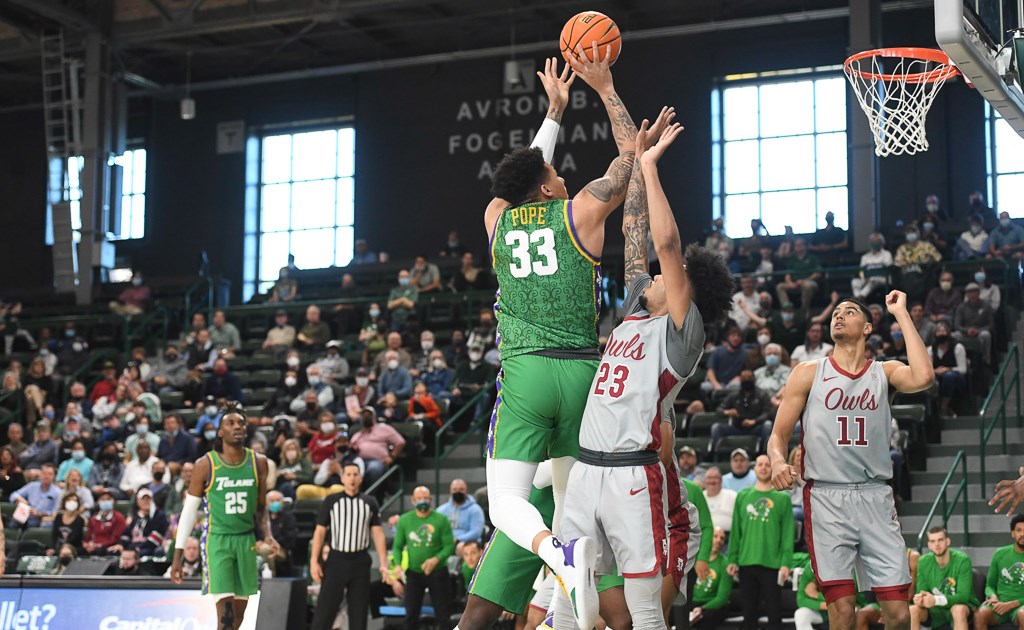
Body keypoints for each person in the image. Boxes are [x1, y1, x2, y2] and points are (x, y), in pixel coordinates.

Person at [478, 46, 644, 630]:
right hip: (582, 376)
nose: (561, 171)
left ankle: (554, 555)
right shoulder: (579, 213)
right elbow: (631, 156)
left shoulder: (496, 222)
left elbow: (513, 181)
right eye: (554, 173)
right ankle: (572, 598)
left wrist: (553, 113)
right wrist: (601, 88)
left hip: (525, 376)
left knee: (506, 506)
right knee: (581, 519)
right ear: (546, 190)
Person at [560, 114, 730, 630]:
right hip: (585, 467)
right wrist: (631, 146)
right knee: (566, 594)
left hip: (632, 472)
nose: (651, 276)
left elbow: (666, 247)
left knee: (643, 608)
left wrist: (652, 168)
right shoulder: (637, 307)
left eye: (663, 278)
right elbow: (634, 224)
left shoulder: (684, 331)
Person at [768, 290, 935, 630]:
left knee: (900, 615)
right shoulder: (807, 372)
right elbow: (778, 437)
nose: (839, 316)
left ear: (868, 328)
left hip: (875, 495)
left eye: (849, 311)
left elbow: (924, 377)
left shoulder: (883, 372)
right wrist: (776, 460)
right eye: (836, 313)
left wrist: (901, 313)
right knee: (842, 612)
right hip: (827, 497)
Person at [170, 405, 277, 630]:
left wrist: (268, 535)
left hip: (246, 541)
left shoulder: (258, 462)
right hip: (218, 541)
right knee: (226, 617)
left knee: (239, 617)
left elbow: (261, 506)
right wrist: (177, 555)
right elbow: (189, 512)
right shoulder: (205, 465)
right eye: (231, 423)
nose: (237, 426)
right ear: (221, 432)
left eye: (241, 423)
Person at [308, 463, 388, 630]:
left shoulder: (370, 502)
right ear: (343, 478)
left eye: (355, 474)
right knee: (325, 609)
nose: (352, 478)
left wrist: (383, 563)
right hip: (336, 559)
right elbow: (320, 533)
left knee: (359, 612)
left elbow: (378, 534)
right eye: (349, 474)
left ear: (360, 478)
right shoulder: (331, 501)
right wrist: (314, 561)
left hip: (360, 560)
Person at [727, 455, 794, 630]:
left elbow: (788, 533)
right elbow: (736, 532)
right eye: (760, 464)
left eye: (767, 465)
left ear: (772, 469)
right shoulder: (742, 496)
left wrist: (786, 563)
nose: (763, 467)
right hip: (746, 563)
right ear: (754, 468)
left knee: (774, 616)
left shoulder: (783, 498)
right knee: (748, 617)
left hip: (772, 565)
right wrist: (732, 558)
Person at [392, 486, 455, 630]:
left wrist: (436, 559)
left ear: (431, 500)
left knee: (443, 615)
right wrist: (397, 565)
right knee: (411, 615)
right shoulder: (404, 520)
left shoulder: (441, 519)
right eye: (419, 498)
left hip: (438, 572)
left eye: (426, 498)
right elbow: (397, 546)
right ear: (413, 500)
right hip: (414, 573)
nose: (423, 501)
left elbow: (449, 546)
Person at [910, 526, 976, 630]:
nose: (937, 544)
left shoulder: (963, 560)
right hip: (934, 611)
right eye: (933, 541)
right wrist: (921, 599)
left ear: (947, 541)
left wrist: (936, 600)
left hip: (961, 607)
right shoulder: (923, 562)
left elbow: (963, 597)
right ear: (929, 545)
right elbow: (922, 591)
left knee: (958, 610)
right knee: (912, 610)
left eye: (940, 540)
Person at [974, 514, 1024, 629]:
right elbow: (989, 585)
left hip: (1021, 606)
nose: (1022, 534)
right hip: (999, 605)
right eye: (1019, 530)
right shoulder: (1000, 554)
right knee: (980, 614)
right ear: (1013, 533)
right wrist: (993, 597)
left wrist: (1012, 604)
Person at [712, 370, 774, 455]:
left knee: (767, 425)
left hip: (755, 427)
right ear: (740, 380)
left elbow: (768, 413)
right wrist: (727, 412)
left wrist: (754, 421)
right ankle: (717, 455)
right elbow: (719, 410)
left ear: (754, 379)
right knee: (716, 428)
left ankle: (764, 453)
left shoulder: (762, 394)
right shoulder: (734, 395)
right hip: (737, 428)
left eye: (749, 378)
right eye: (744, 378)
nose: (747, 380)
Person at [690, 527, 732, 628]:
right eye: (715, 536)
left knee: (706, 619)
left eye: (722, 538)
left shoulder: (725, 563)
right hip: (693, 602)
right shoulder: (695, 558)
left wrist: (702, 608)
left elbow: (722, 598)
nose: (719, 540)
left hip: (711, 605)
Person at [437, 478, 485, 551]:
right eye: (455, 489)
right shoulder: (441, 510)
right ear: (450, 491)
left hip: (467, 543)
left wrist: (459, 539)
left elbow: (476, 532)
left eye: (461, 489)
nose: (458, 492)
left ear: (466, 491)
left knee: (461, 547)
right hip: (446, 542)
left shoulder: (475, 510)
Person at [10, 462, 61, 527]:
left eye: (50, 474)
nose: (46, 476)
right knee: (14, 522)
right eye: (44, 473)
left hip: (41, 519)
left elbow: (55, 512)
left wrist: (39, 514)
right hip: (25, 515)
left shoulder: (57, 492)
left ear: (54, 477)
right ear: (40, 474)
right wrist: (20, 499)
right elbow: (14, 495)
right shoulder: (32, 486)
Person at [83, 490, 127, 555]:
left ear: (113, 501)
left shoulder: (119, 517)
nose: (106, 501)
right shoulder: (93, 518)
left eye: (108, 499)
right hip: (94, 546)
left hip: (110, 547)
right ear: (98, 502)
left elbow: (116, 538)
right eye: (103, 499)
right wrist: (88, 544)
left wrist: (99, 545)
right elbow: (89, 536)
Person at [852, 232, 894, 299]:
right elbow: (861, 271)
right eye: (873, 241)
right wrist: (864, 276)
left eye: (877, 241)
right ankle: (857, 297)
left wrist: (872, 274)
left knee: (873, 280)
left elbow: (887, 269)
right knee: (855, 281)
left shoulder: (887, 254)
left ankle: (861, 297)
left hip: (883, 279)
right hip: (867, 278)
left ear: (882, 242)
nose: (875, 243)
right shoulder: (865, 257)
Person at [702, 467, 736, 532]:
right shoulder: (700, 496)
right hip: (706, 535)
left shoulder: (732, 495)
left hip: (728, 535)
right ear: (704, 481)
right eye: (709, 478)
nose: (712, 481)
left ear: (721, 480)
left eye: (715, 478)